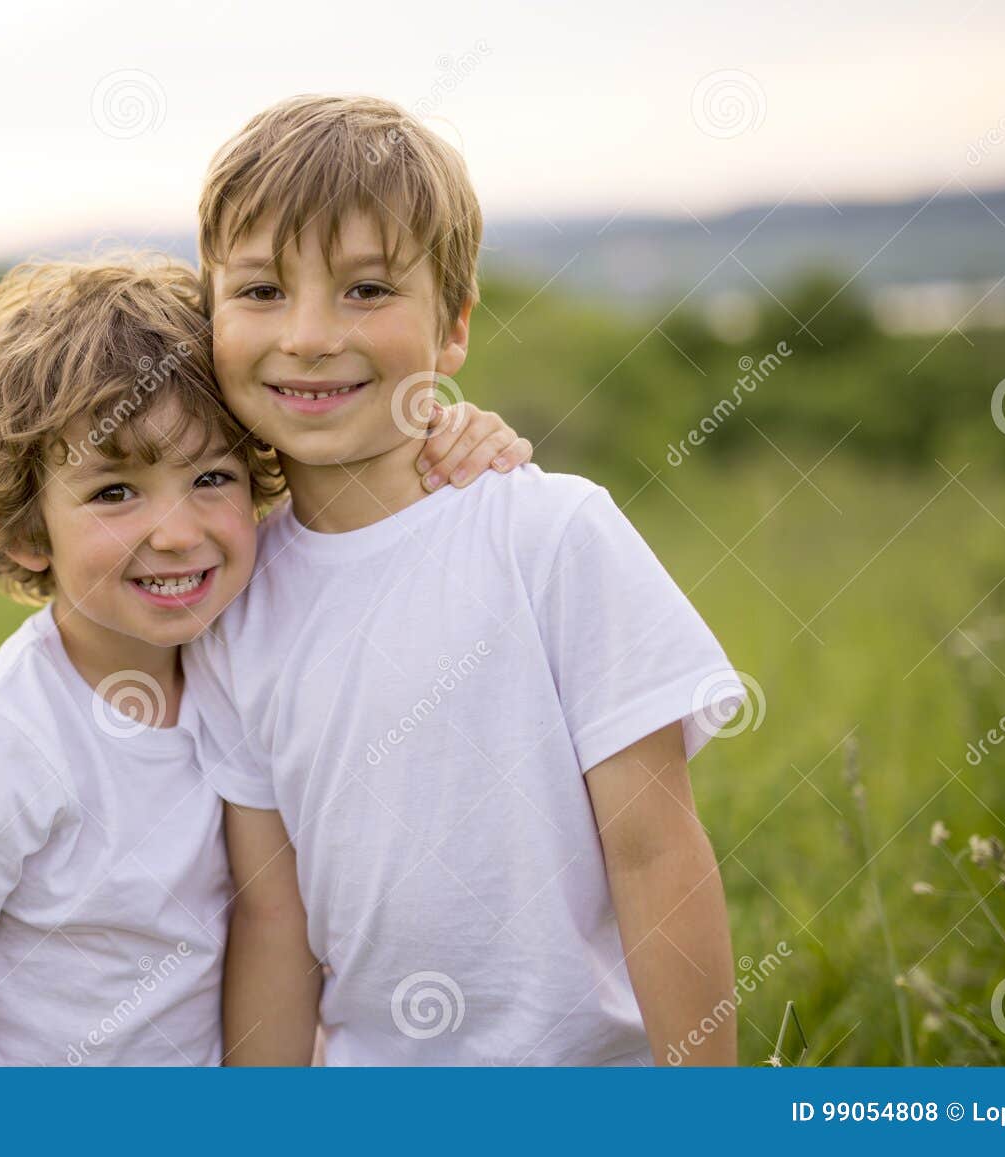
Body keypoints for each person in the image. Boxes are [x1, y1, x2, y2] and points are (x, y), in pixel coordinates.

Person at [187, 95, 748, 1066]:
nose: (311, 334)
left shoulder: (550, 534)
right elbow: (273, 919)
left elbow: (655, 849)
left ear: (452, 326)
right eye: (261, 290)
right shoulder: (230, 603)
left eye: (367, 290)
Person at [0, 253, 532, 1065]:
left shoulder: (250, 639)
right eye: (114, 491)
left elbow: (369, 509)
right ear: (28, 531)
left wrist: (459, 432)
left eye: (211, 476)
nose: (178, 532)